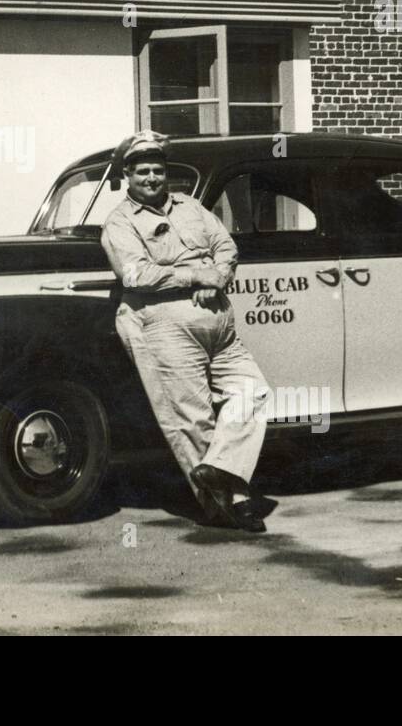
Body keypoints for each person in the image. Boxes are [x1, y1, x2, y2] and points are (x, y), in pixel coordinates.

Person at [100, 130, 270, 533]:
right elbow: (136, 273)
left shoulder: (191, 207)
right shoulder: (119, 222)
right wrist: (197, 274)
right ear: (128, 175)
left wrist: (217, 278)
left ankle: (217, 470)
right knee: (191, 419)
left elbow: (226, 247)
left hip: (218, 321)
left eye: (158, 171)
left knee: (253, 391)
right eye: (143, 172)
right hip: (164, 325)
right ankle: (229, 506)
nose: (153, 179)